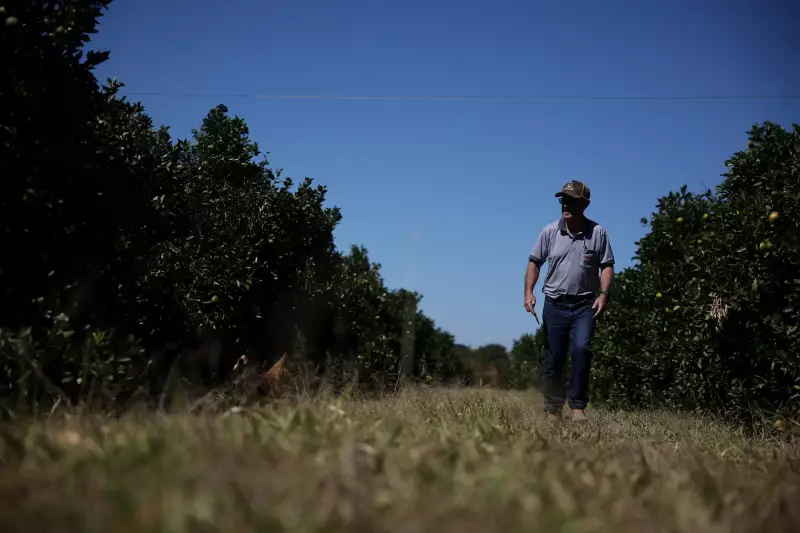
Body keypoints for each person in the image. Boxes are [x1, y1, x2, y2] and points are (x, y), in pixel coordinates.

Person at [523, 180, 614, 421]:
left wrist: (604, 294)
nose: (565, 204)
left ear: (585, 204)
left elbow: (606, 265)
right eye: (563, 199)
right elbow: (534, 262)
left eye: (571, 200)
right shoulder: (549, 231)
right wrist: (529, 292)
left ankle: (577, 407)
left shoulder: (598, 233)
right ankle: (553, 408)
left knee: (582, 349)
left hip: (585, 304)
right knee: (554, 357)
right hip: (554, 303)